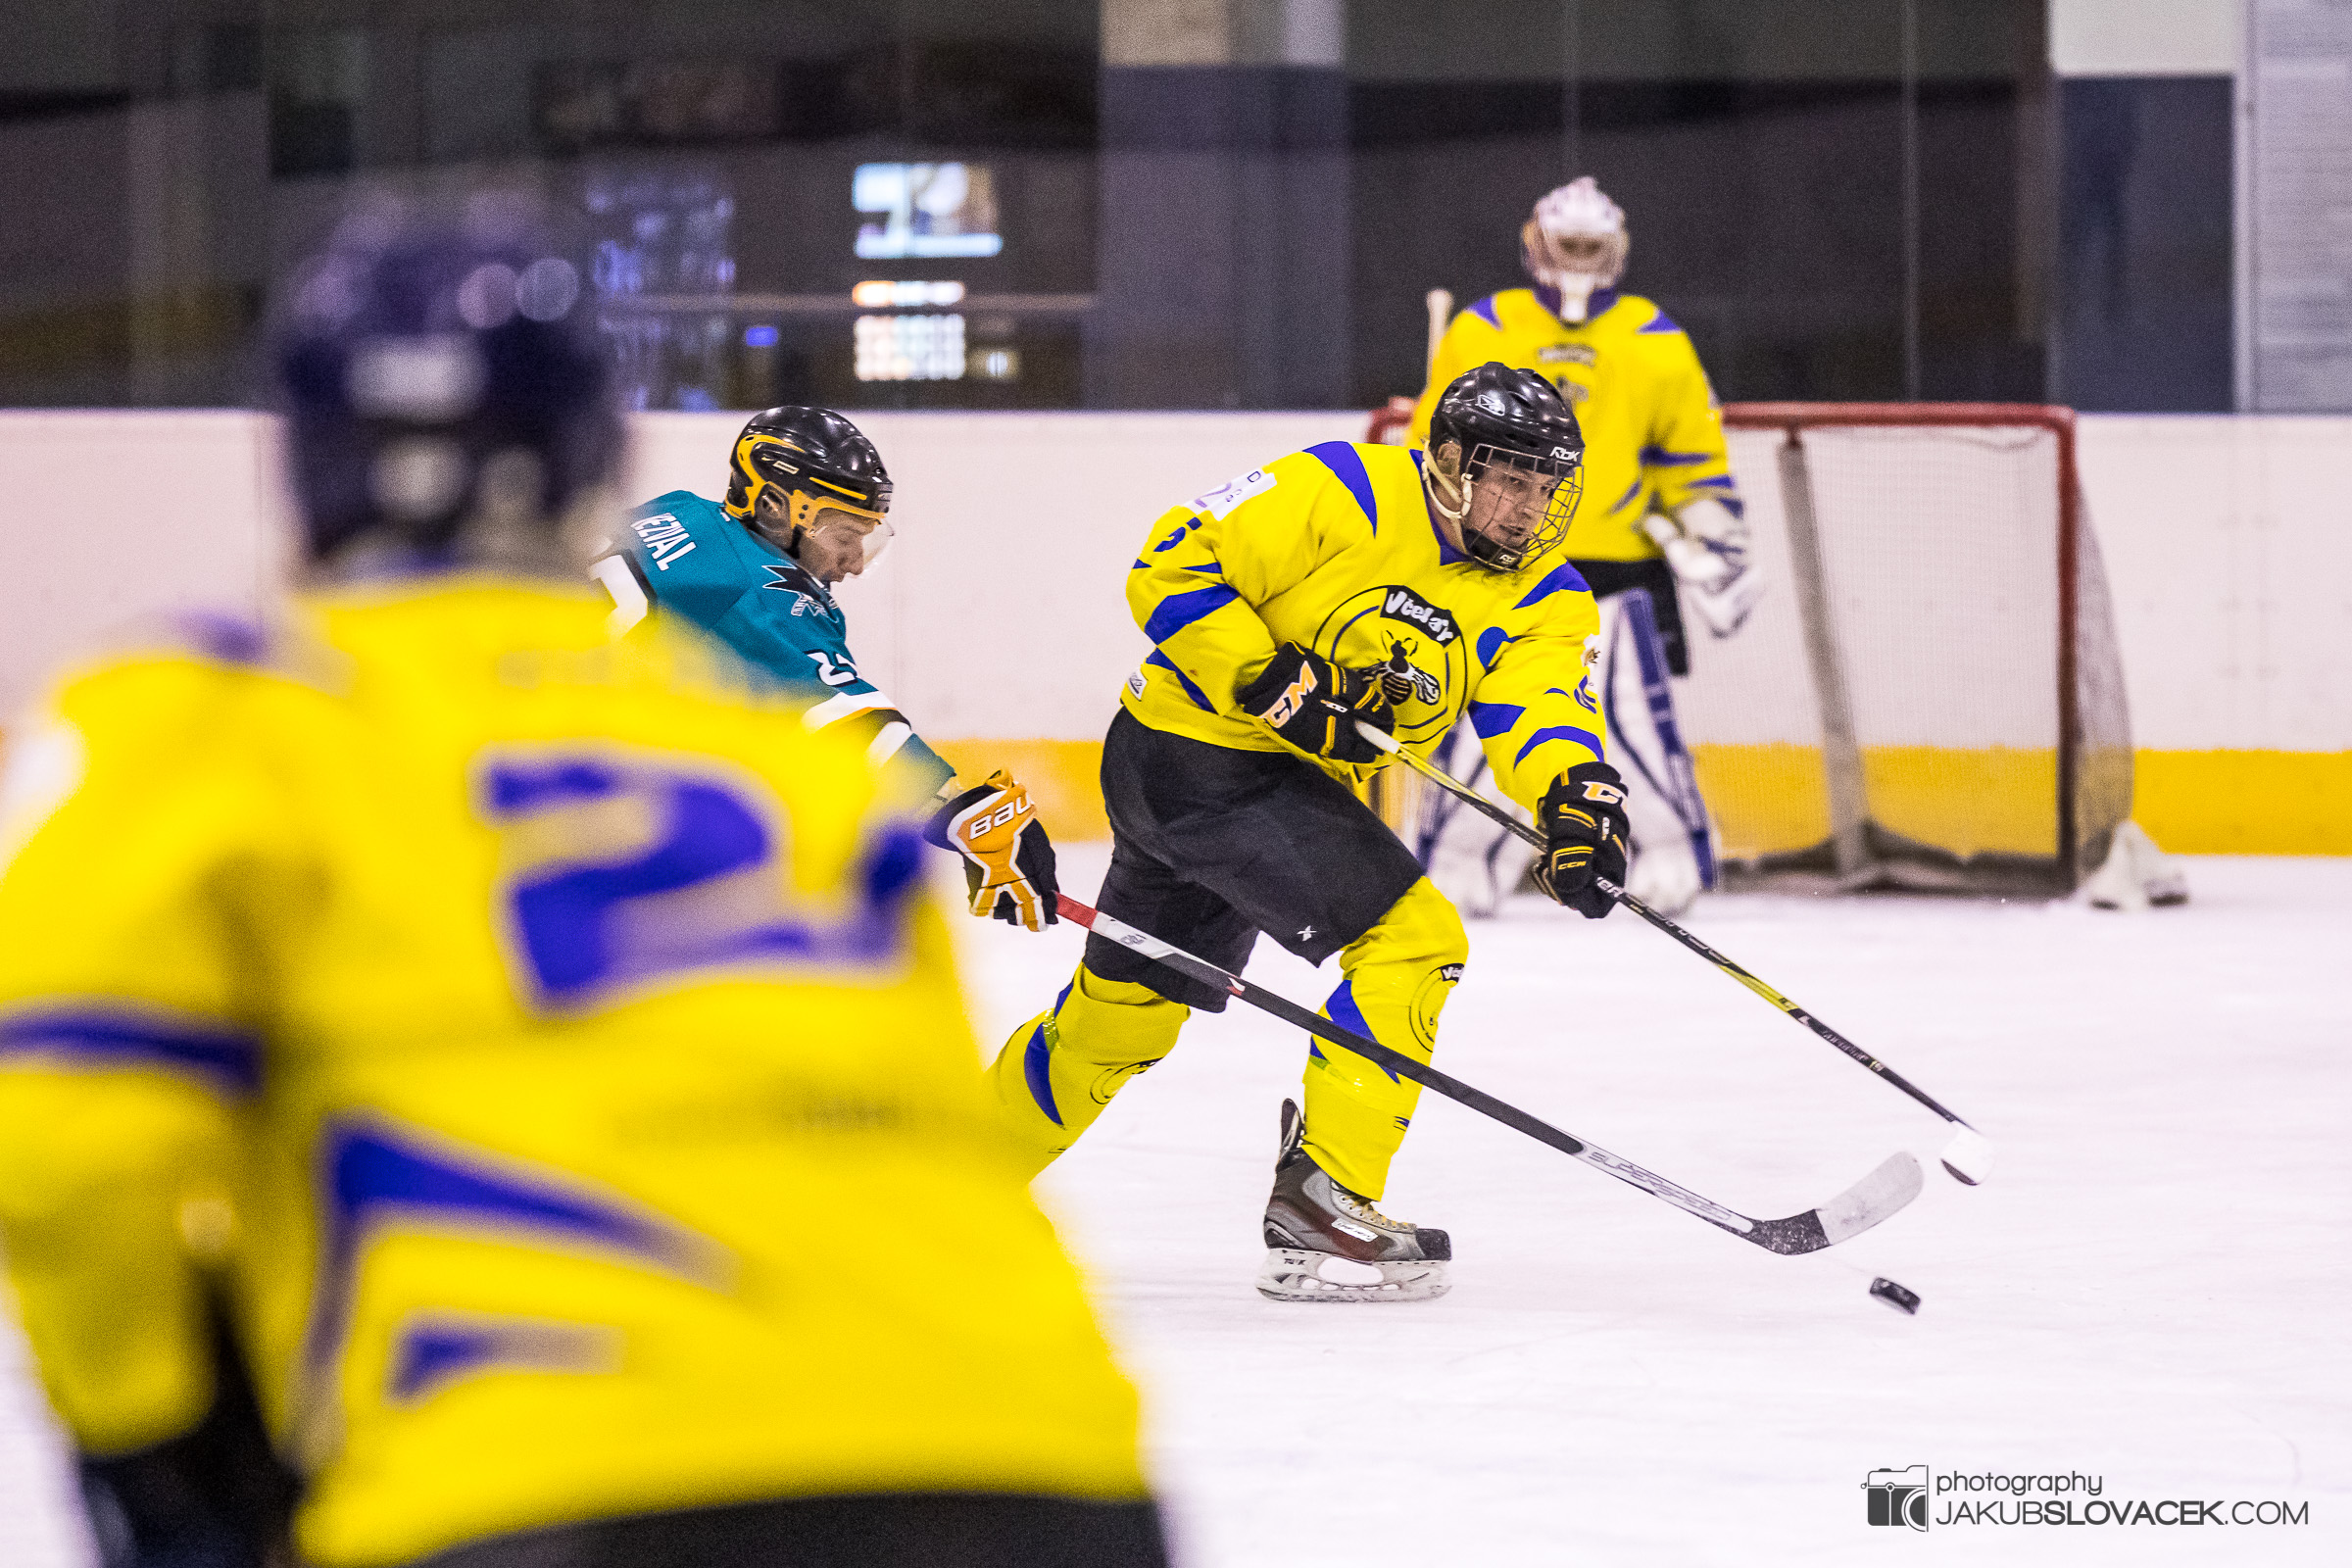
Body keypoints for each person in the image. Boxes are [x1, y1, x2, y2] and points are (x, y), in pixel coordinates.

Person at [0, 211, 1162, 1568]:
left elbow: (65, 1149)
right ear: (591, 457)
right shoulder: (792, 776)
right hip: (1040, 1463)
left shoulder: (198, 715)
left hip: (549, 1486)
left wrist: (162, 1453)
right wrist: (963, 808)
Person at [985, 363, 1632, 1305]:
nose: (1528, 510)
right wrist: (1273, 683)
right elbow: (1171, 561)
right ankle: (1326, 1201)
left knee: (1118, 1021)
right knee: (1413, 942)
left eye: (1544, 489)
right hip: (1192, 756)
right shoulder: (1344, 487)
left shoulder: (1545, 592)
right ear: (1449, 460)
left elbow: (1541, 707)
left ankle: (947, 1174)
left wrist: (1573, 795)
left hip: (1252, 788)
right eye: (1509, 480)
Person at [1407, 176, 1752, 914]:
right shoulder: (1480, 327)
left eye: (1594, 247)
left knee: (1632, 724)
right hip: (1494, 561)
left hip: (1620, 565)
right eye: (1570, 245)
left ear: (1618, 249)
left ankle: (1667, 853)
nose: (1580, 259)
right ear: (1537, 243)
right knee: (1481, 712)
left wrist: (1714, 538)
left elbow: (1692, 455)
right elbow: (1431, 450)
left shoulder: (1653, 334)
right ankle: (1459, 857)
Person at [592, 408, 1060, 935]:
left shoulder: (680, 512)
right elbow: (846, 718)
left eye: (867, 537)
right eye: (843, 536)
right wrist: (964, 813)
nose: (856, 562)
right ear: (772, 506)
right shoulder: (761, 593)